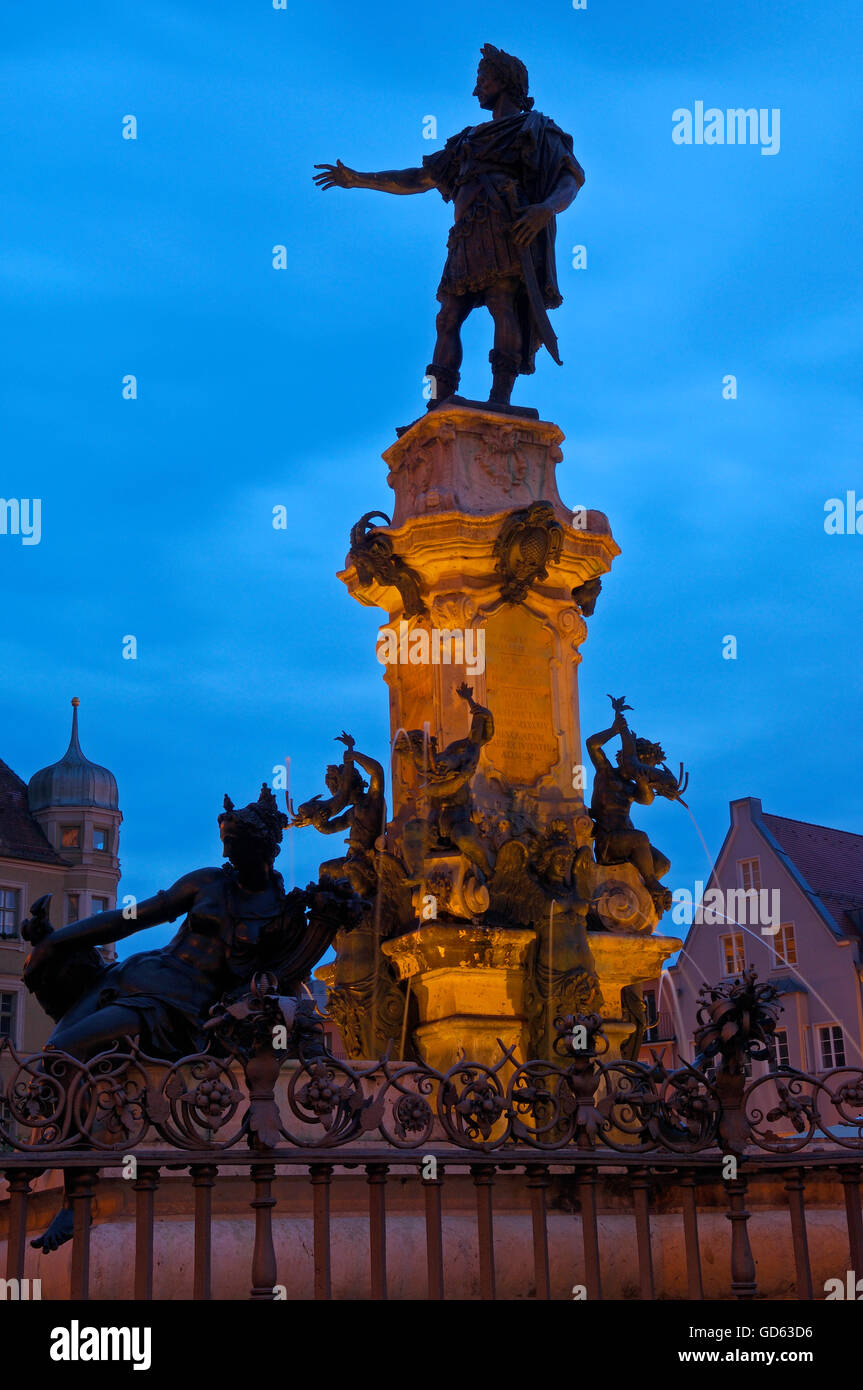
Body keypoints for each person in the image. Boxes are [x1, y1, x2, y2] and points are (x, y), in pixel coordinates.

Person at [314, 44, 584, 407]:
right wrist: (358, 178)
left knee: (502, 302)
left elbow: (570, 180)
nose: (476, 90)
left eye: (482, 80)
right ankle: (439, 403)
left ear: (504, 81)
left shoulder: (536, 129)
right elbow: (418, 178)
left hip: (508, 228)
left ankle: (499, 401)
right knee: (447, 317)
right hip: (467, 234)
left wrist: (545, 209)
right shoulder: (467, 141)